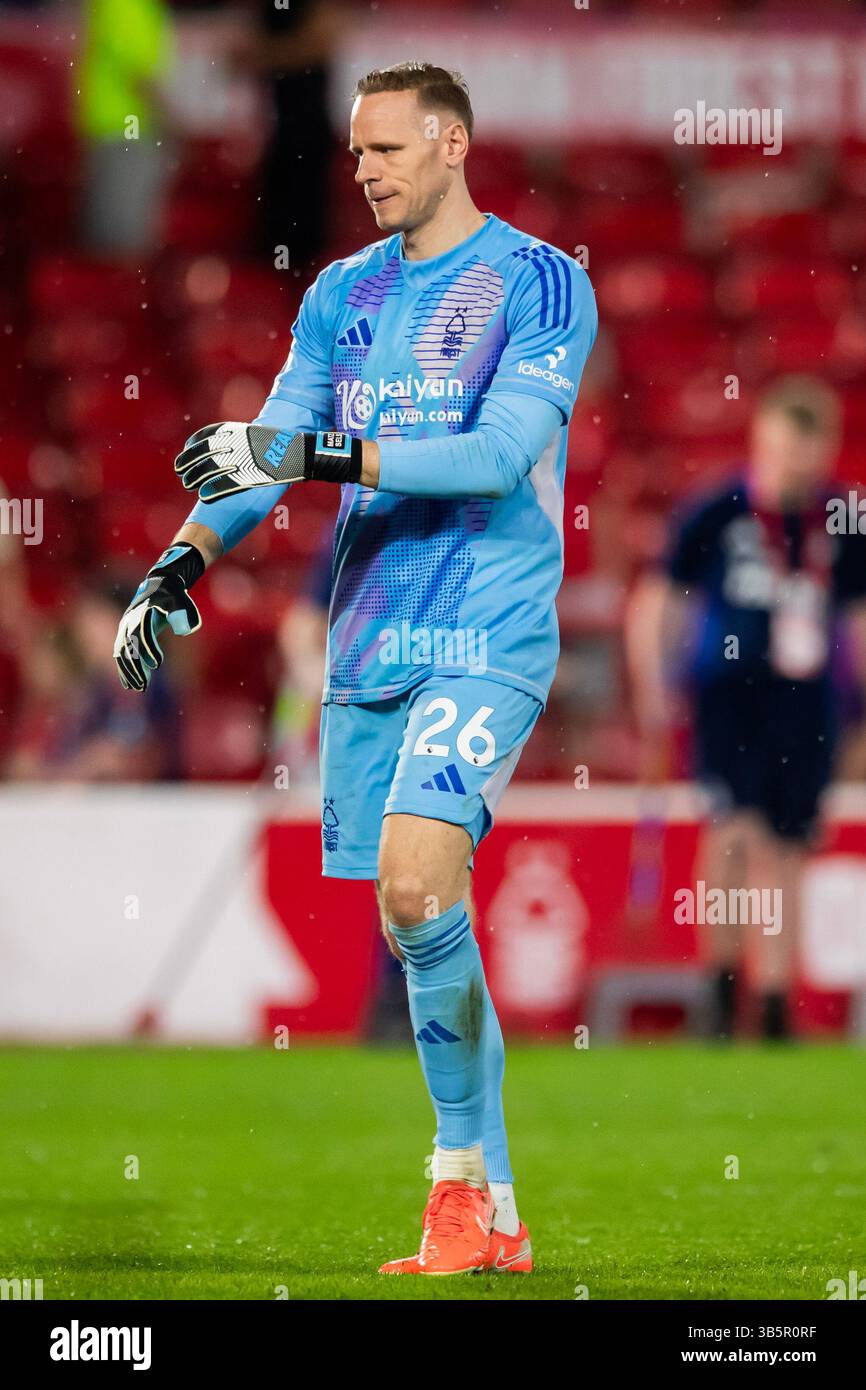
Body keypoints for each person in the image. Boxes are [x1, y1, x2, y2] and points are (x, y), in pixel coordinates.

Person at [113, 62, 597, 1274]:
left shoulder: (541, 282)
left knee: (421, 883)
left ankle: (452, 1188)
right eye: (354, 153)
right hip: (373, 635)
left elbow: (493, 456)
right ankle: (498, 1209)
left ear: (450, 143)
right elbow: (267, 454)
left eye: (384, 148)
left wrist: (307, 447)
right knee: (409, 912)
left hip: (487, 627)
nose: (363, 170)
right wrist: (180, 560)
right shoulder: (341, 293)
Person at [627, 376, 866, 1041]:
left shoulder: (841, 516)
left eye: (815, 448)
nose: (802, 462)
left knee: (790, 846)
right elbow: (660, 600)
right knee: (734, 835)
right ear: (764, 439)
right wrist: (654, 684)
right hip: (729, 696)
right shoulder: (717, 509)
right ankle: (719, 988)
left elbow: (856, 614)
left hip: (807, 700)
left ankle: (773, 1000)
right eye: (790, 446)